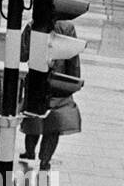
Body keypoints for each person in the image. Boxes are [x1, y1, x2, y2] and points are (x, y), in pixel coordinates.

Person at [20, 21, 82, 172]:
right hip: (58, 80)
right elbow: (73, 58)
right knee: (53, 123)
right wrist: (73, 80)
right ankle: (44, 160)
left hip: (36, 79)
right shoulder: (67, 28)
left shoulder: (32, 25)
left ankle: (30, 151)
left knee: (33, 115)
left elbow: (22, 54)